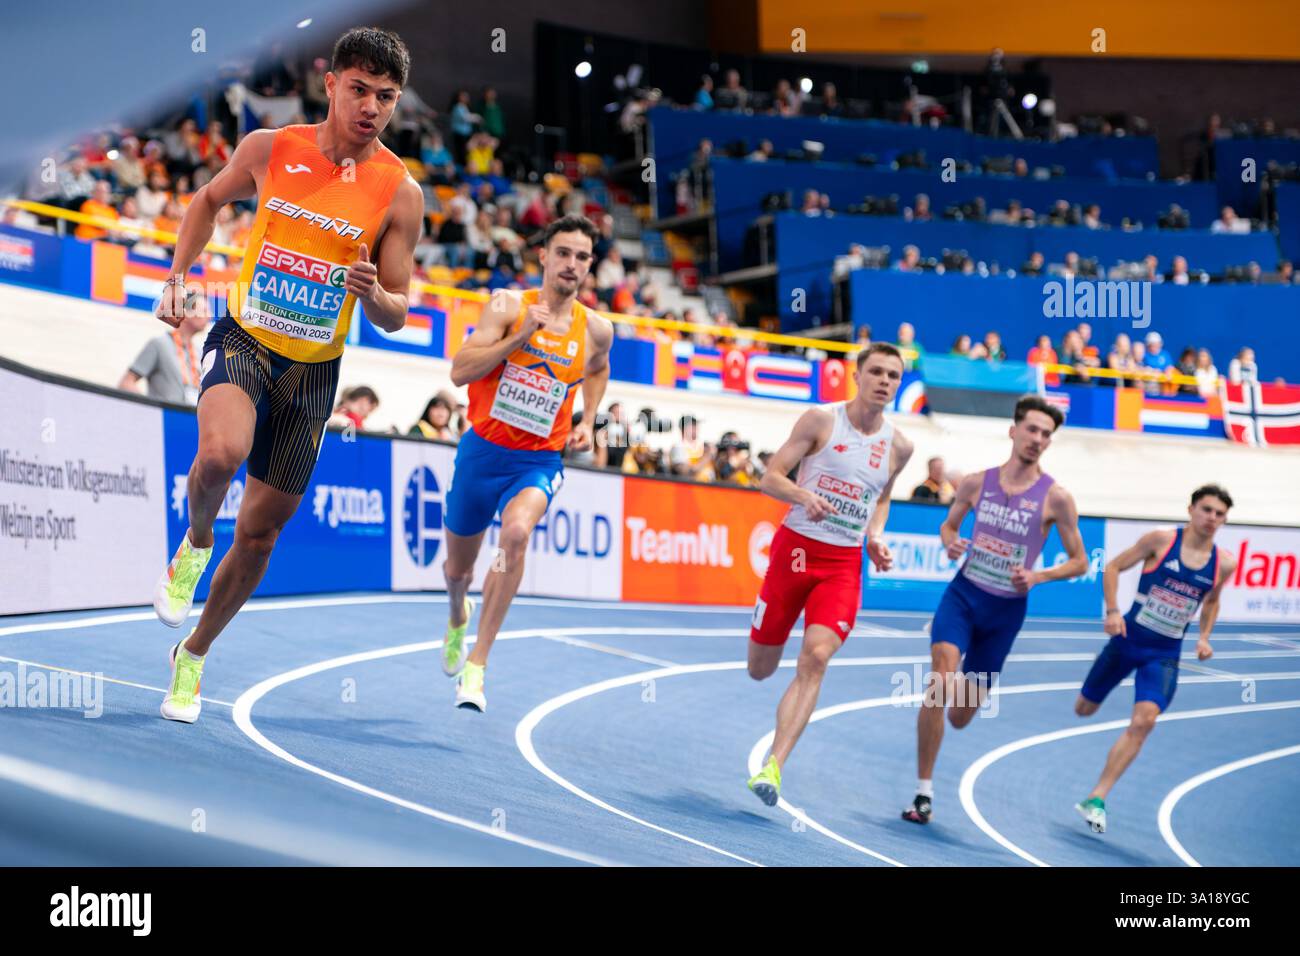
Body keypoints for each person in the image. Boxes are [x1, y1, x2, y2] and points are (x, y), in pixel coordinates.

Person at [150, 27, 424, 723]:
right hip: (246, 336)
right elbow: (208, 202)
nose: (370, 107)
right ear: (329, 84)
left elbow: (397, 311)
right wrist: (178, 278)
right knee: (220, 454)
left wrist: (375, 296)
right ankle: (195, 543)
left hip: (313, 373)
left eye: (385, 97)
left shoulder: (400, 192)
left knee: (264, 532)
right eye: (359, 89)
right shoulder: (273, 149)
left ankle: (195, 655)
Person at [440, 214, 614, 710]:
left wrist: (590, 418)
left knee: (515, 535)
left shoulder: (596, 330)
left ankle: (477, 665)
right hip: (482, 452)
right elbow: (459, 372)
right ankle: (457, 614)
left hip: (537, 459)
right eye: (563, 253)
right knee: (458, 571)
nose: (572, 264)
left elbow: (598, 369)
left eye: (582, 257)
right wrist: (520, 338)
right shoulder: (507, 306)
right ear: (543, 255)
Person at [902, 395, 1088, 824]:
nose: (1038, 439)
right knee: (939, 681)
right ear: (1013, 430)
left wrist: (1038, 576)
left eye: (1046, 434)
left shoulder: (1056, 497)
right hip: (963, 597)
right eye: (1032, 429)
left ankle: (954, 722)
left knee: (961, 715)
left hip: (1004, 616)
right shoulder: (975, 482)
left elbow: (1079, 561)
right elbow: (949, 524)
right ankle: (923, 793)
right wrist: (950, 539)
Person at [746, 344, 915, 806]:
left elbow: (881, 497)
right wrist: (803, 497)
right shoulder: (821, 421)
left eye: (893, 375)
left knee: (816, 658)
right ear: (857, 376)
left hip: (841, 565)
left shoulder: (899, 446)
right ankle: (765, 634)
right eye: (876, 372)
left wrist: (876, 535)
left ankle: (773, 766)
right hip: (794, 554)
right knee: (759, 669)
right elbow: (770, 476)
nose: (884, 381)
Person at [1073, 486, 1237, 834]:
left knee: (1144, 721)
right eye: (1206, 509)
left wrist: (1204, 637)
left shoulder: (1224, 563)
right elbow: (1114, 566)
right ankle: (1099, 681)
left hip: (1164, 653)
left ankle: (1097, 797)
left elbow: (1211, 601)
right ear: (1191, 509)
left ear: (1224, 519)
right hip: (1126, 640)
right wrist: (1114, 611)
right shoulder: (1161, 541)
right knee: (1083, 709)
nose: (1211, 518)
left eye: (1219, 514)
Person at [119, 295, 210, 404]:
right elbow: (126, 383)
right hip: (164, 418)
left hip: (189, 419)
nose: (209, 316)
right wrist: (151, 409)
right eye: (203, 311)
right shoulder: (159, 344)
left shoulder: (199, 353)